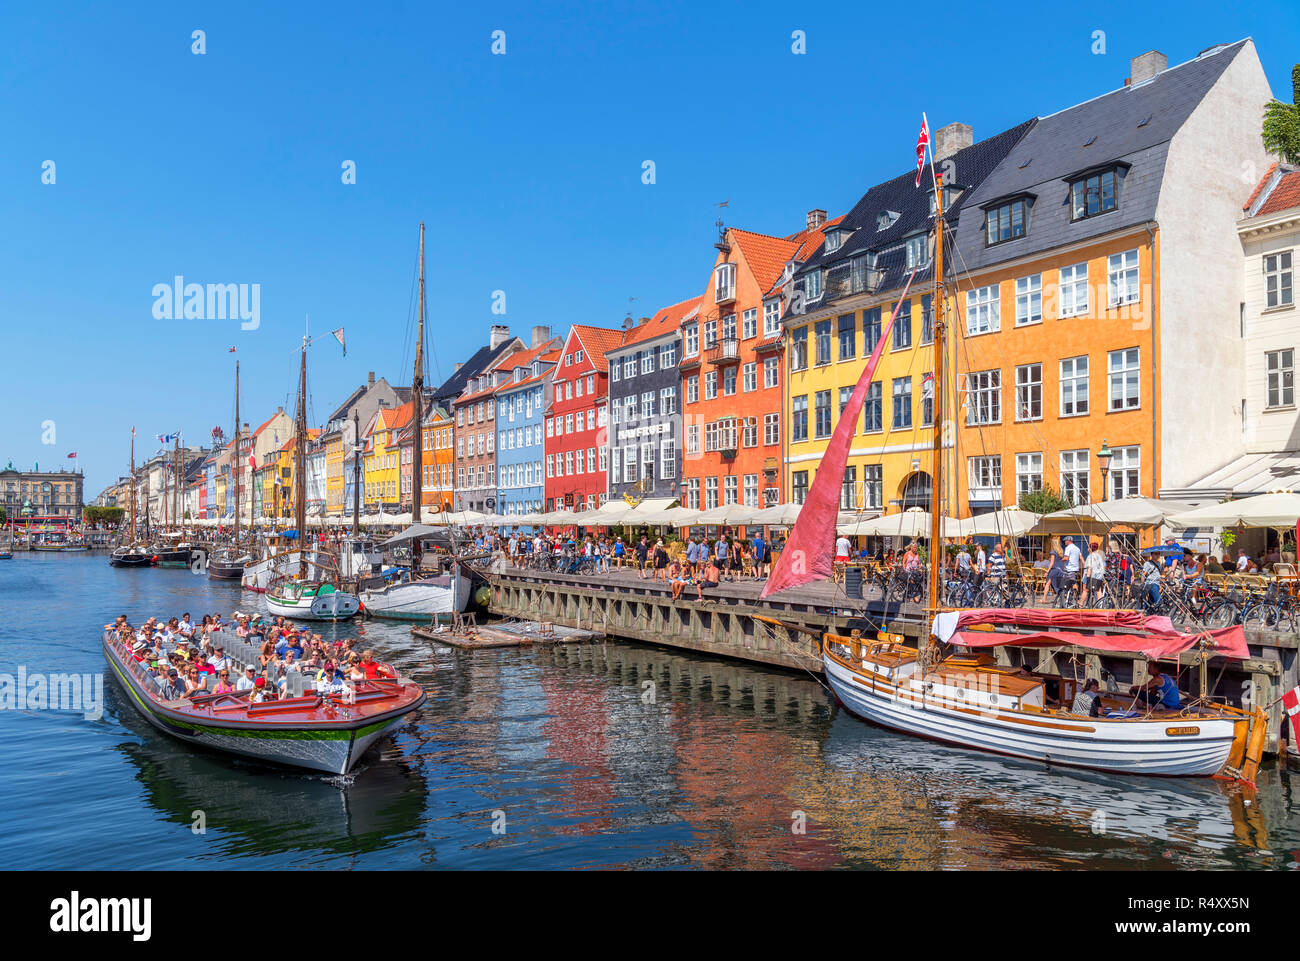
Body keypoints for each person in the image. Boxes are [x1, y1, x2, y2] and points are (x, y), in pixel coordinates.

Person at [1083, 542, 1106, 606]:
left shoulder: (1090, 556)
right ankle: (1100, 604)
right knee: (1098, 591)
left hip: (1091, 576)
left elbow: (1089, 568)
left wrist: (1087, 577)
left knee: (1085, 590)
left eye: (1088, 547)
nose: (1088, 549)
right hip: (1099, 576)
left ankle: (1080, 604)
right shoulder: (1099, 556)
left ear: (1090, 548)